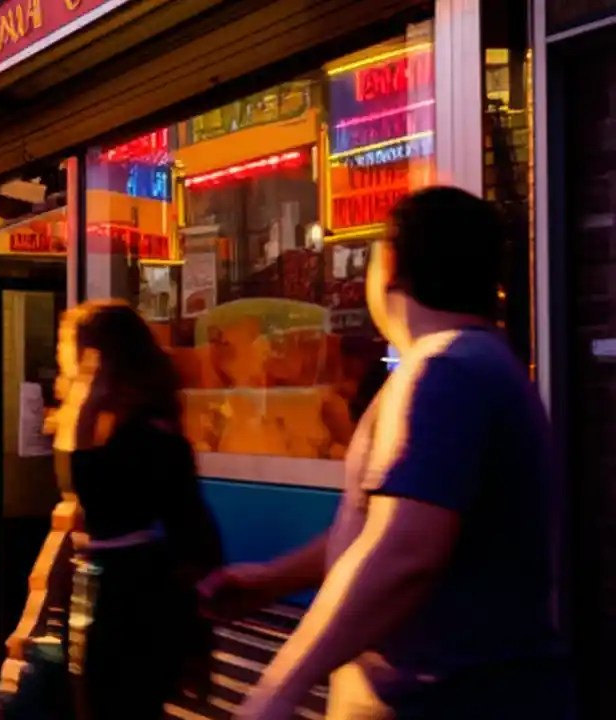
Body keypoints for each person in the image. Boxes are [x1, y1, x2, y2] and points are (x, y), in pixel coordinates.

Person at [199, 187, 567, 719]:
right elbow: (391, 528)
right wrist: (274, 579)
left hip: (450, 700)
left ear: (390, 265)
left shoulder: (446, 371)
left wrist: (276, 691)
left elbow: (404, 554)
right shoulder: (472, 364)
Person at [52, 300, 222, 720]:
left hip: (131, 604)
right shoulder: (139, 427)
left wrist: (87, 405)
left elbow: (88, 490)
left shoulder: (142, 437)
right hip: (134, 597)